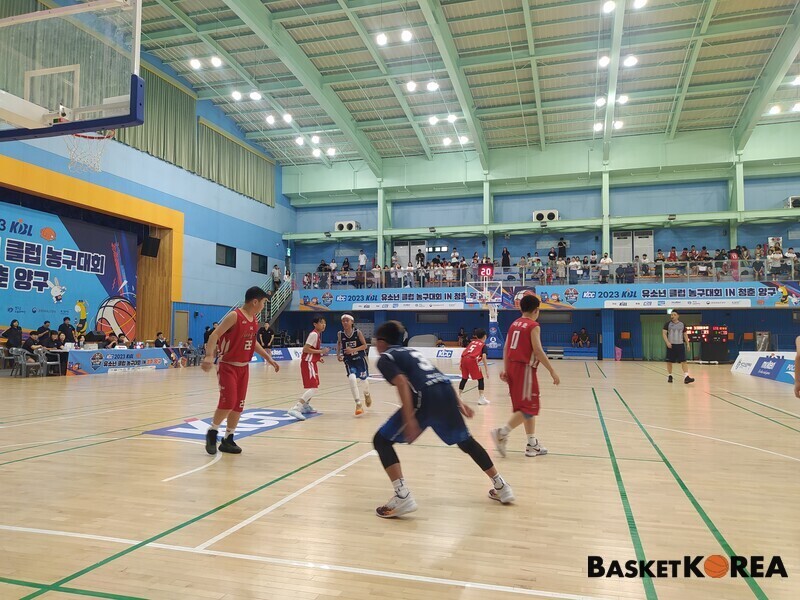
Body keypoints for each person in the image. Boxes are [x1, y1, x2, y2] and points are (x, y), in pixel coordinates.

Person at [371, 321, 514, 518]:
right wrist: (459, 403)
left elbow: (402, 383)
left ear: (381, 342)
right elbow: (440, 377)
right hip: (444, 391)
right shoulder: (412, 352)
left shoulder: (386, 357)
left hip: (424, 397)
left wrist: (410, 419)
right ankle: (502, 486)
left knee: (381, 441)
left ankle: (402, 495)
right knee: (467, 442)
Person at [202, 286, 280, 455]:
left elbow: (253, 343)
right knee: (229, 402)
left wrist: (268, 358)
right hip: (228, 366)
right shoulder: (234, 316)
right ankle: (212, 431)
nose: (264, 305)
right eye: (264, 302)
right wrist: (209, 356)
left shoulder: (254, 320)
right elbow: (214, 336)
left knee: (238, 405)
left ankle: (228, 438)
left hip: (244, 368)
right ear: (255, 301)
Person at [491, 294, 560, 459]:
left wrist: (506, 370)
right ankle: (502, 432)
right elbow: (537, 350)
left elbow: (506, 348)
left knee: (527, 408)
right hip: (525, 370)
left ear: (521, 308)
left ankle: (531, 444)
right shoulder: (533, 325)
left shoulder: (514, 324)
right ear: (537, 310)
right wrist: (552, 370)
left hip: (514, 369)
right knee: (529, 408)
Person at [288, 316, 331, 420]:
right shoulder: (313, 334)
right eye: (321, 323)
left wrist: (318, 357)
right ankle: (296, 408)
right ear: (315, 324)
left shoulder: (317, 335)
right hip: (308, 362)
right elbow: (306, 349)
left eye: (324, 323)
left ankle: (306, 406)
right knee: (314, 388)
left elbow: (312, 349)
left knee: (315, 385)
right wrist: (321, 352)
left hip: (312, 362)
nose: (323, 325)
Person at [337, 314, 372, 416]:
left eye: (347, 320)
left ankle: (367, 394)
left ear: (352, 322)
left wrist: (353, 350)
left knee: (364, 381)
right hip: (349, 360)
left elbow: (365, 346)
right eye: (343, 321)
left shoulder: (358, 332)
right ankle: (358, 404)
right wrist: (338, 354)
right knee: (352, 378)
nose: (345, 322)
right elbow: (339, 343)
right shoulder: (340, 334)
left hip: (360, 360)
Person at [458, 328, 489, 405]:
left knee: (464, 378)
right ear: (485, 336)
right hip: (472, 360)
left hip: (464, 359)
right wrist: (487, 370)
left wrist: (460, 363)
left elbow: (464, 352)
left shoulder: (472, 342)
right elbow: (484, 357)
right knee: (480, 379)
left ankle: (459, 396)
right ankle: (481, 398)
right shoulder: (483, 345)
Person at [662, 311, 695, 384]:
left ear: (678, 316)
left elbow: (685, 334)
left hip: (680, 345)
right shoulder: (667, 324)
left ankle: (686, 377)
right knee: (669, 361)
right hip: (671, 345)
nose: (672, 316)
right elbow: (664, 333)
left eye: (674, 315)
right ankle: (670, 375)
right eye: (671, 315)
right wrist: (667, 342)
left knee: (684, 361)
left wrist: (688, 344)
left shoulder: (682, 324)